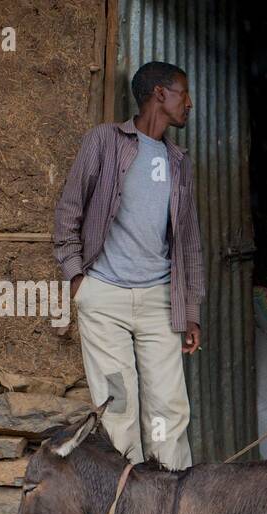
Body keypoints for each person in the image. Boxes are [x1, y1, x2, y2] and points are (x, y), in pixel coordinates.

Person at [53, 60, 203, 470]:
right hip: (106, 301)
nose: (189, 103)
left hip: (159, 303)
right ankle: (128, 511)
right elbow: (68, 213)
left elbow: (188, 242)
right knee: (118, 407)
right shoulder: (104, 141)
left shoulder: (178, 161)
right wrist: (79, 279)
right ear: (159, 95)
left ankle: (171, 505)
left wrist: (190, 310)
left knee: (168, 409)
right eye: (182, 93)